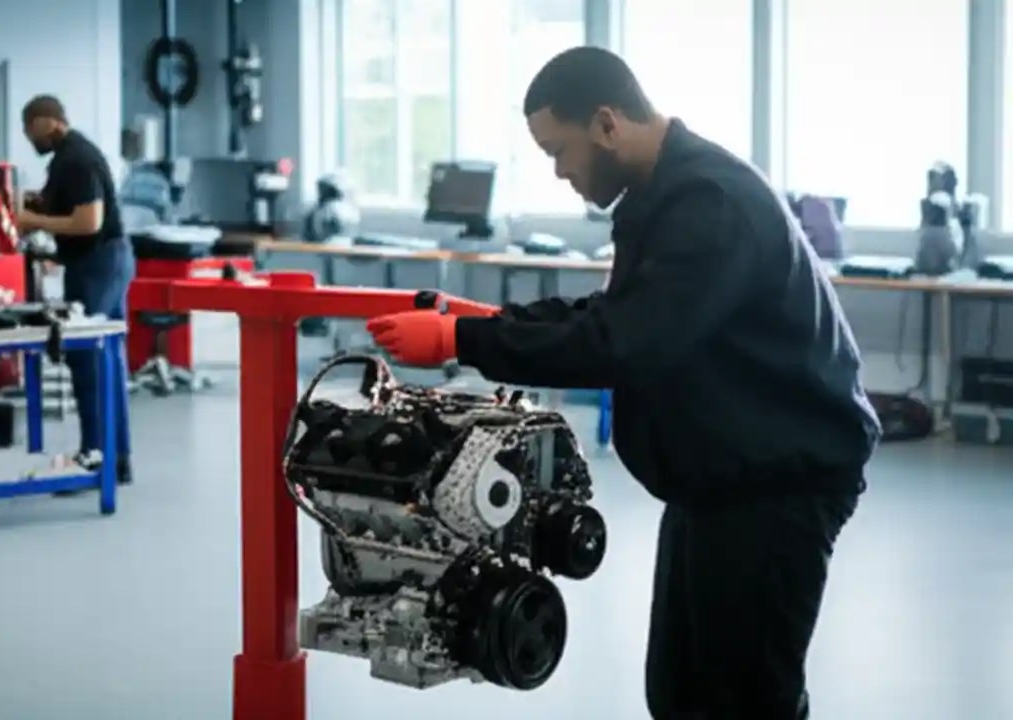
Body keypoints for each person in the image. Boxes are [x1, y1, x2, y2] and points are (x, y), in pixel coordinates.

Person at [365, 46, 881, 719]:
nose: (559, 173)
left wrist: (463, 342)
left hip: (780, 484)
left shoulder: (707, 202)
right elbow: (616, 315)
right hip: (724, 478)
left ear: (607, 123)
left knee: (747, 697)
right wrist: (490, 321)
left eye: (561, 151)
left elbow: (625, 342)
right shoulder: (668, 193)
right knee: (680, 693)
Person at [16, 95, 134, 485]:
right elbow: (66, 206)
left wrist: (32, 220)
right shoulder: (68, 159)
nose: (28, 137)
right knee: (107, 358)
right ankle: (115, 459)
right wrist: (37, 204)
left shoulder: (76, 159)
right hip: (103, 261)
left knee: (88, 356)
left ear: (48, 122)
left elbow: (88, 221)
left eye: (29, 127)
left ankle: (97, 456)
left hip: (98, 262)